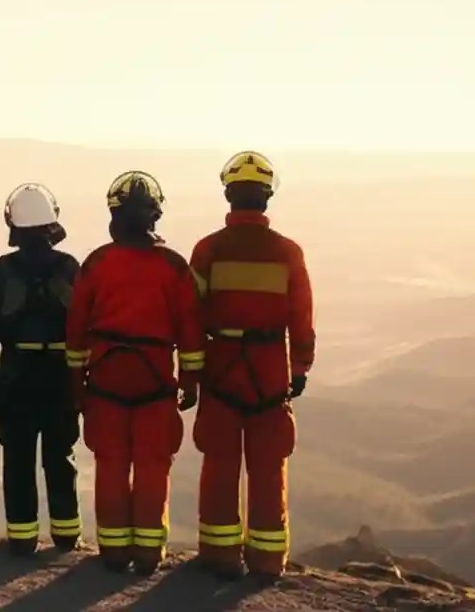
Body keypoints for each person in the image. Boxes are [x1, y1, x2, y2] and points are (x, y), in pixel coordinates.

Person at [65, 171, 205, 574]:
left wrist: (78, 387)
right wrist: (190, 383)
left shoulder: (97, 263)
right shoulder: (173, 267)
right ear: (154, 215)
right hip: (156, 384)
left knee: (110, 465)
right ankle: (147, 553)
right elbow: (191, 330)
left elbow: (76, 331)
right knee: (152, 466)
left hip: (105, 383)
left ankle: (112, 550)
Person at [189, 151, 315, 579]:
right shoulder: (288, 252)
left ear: (229, 195)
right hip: (269, 372)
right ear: (266, 198)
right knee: (268, 465)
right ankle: (266, 559)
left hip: (221, 368)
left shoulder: (208, 250)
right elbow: (301, 316)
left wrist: (191, 371)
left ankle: (219, 556)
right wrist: (299, 367)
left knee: (220, 462)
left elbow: (191, 315)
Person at [0, 183, 83, 556]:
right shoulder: (70, 268)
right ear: (52, 223)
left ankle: (22, 539)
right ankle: (67, 536)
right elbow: (86, 323)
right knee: (60, 456)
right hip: (60, 374)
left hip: (15, 374)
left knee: (17, 459)